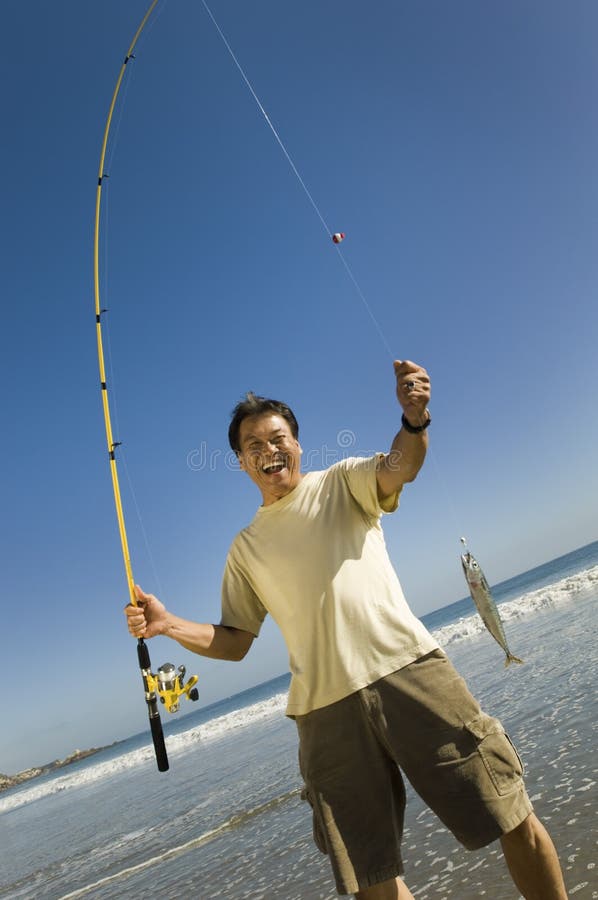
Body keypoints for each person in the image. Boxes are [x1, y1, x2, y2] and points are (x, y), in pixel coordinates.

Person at [125, 359, 568, 900]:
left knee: (509, 811)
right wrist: (169, 624)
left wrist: (413, 421)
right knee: (370, 877)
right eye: (254, 446)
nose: (269, 452)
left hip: (408, 670)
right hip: (323, 712)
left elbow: (399, 468)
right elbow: (236, 641)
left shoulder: (341, 482)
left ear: (298, 444)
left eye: (278, 438)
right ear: (240, 462)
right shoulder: (244, 549)